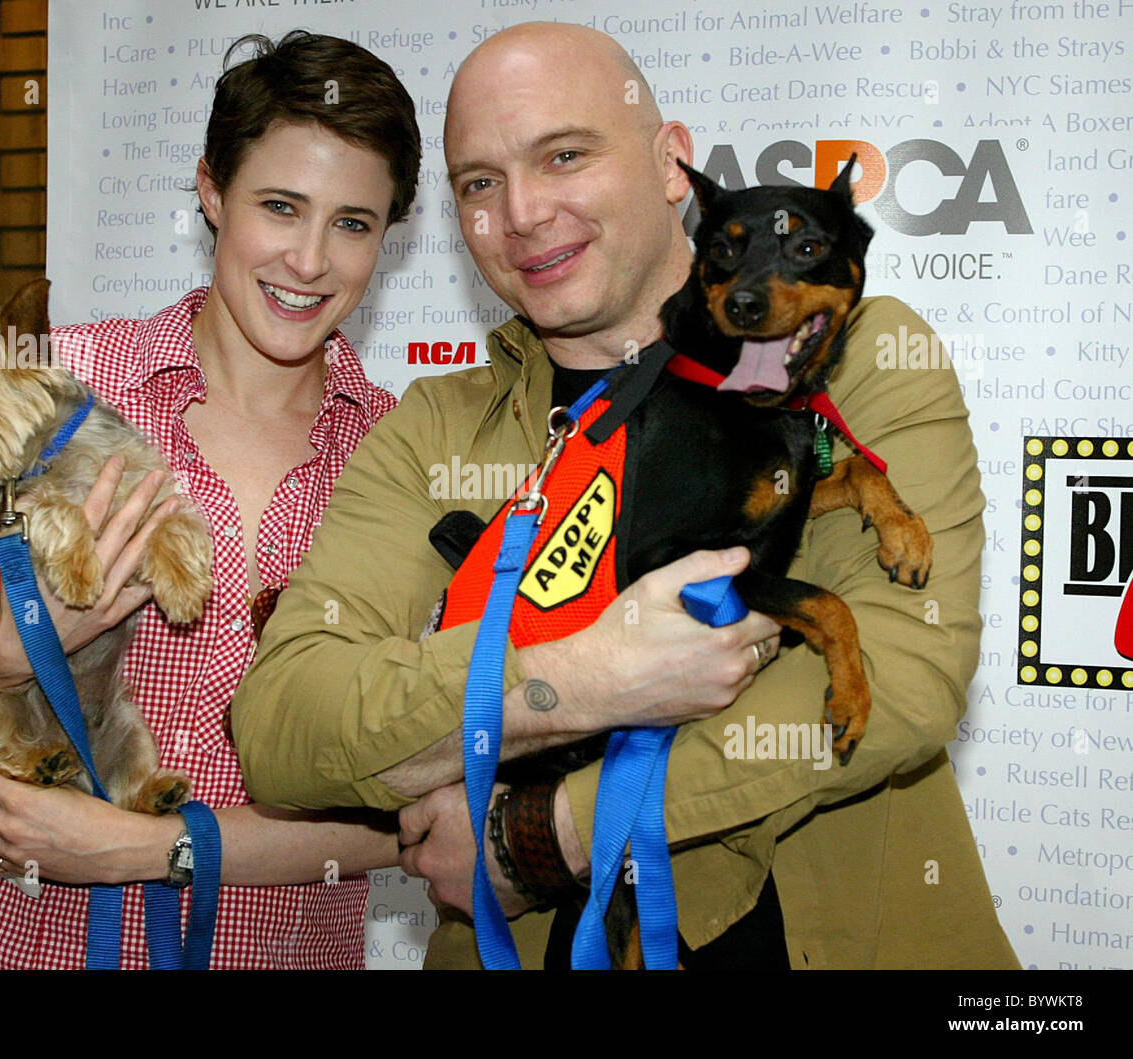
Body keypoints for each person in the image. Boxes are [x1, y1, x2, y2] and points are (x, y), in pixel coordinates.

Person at [230, 21, 1020, 969]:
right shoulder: (436, 431)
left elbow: (901, 675)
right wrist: (581, 678)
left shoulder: (852, 356)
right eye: (480, 183)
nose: (522, 211)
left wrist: (546, 829)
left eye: (564, 155)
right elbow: (285, 723)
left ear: (672, 164)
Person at [0, 31, 420, 969]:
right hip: (30, 951)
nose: (307, 259)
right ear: (211, 192)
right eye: (280, 206)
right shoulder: (56, 386)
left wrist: (155, 846)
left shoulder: (400, 452)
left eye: (353, 223)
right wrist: (1, 654)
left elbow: (417, 821)